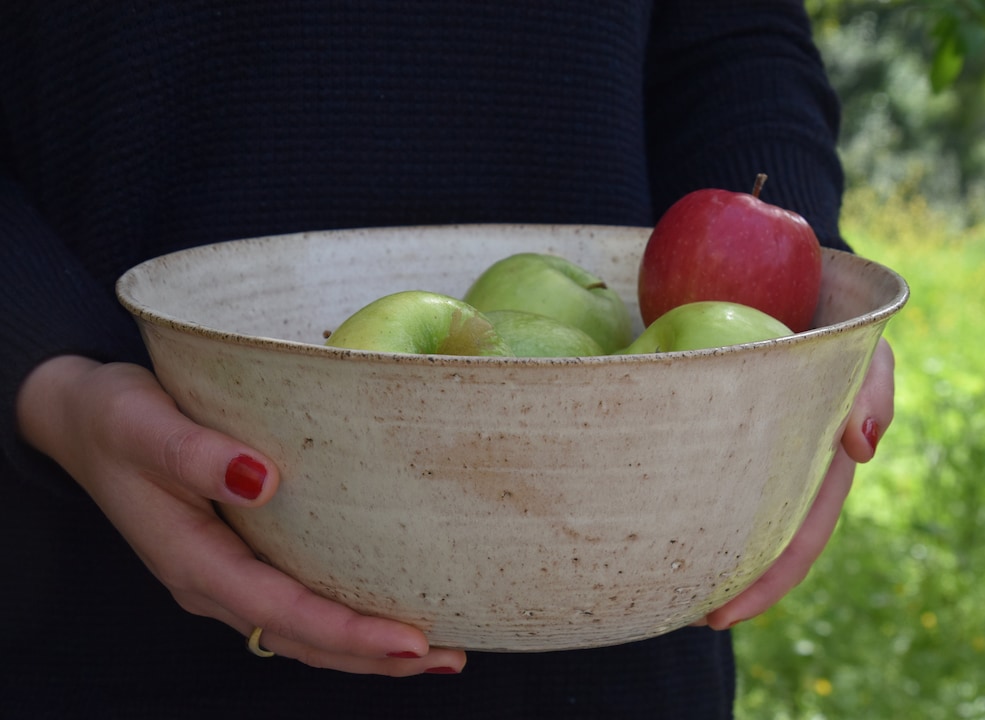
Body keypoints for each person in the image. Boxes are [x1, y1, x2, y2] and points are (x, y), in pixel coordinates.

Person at [0, 2, 894, 718]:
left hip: (624, 584)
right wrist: (45, 365)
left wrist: (806, 323)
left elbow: (734, 38)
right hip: (113, 557)